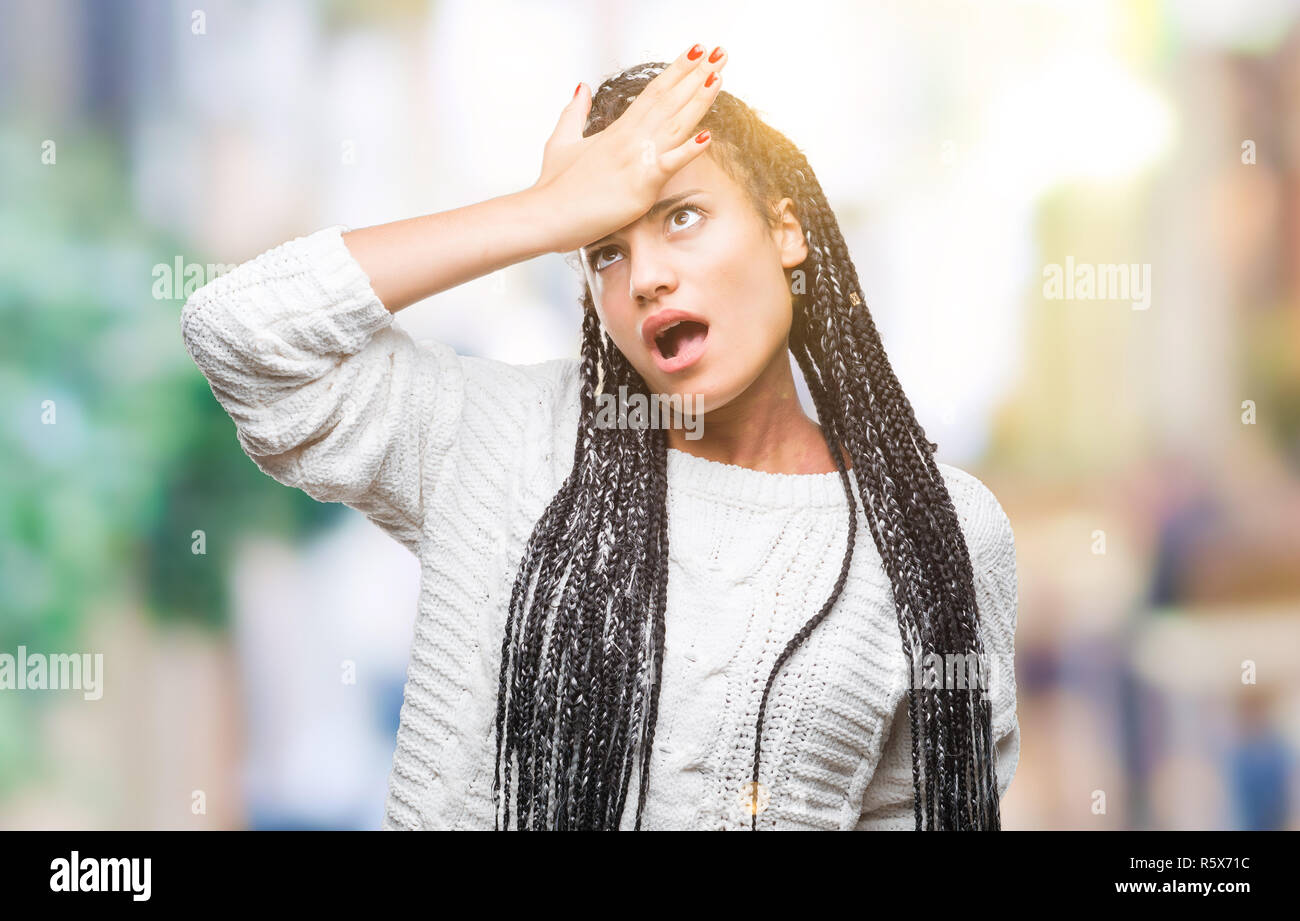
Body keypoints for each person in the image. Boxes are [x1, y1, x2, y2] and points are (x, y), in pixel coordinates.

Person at [180, 42, 1020, 830]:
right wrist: (542, 214)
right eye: (606, 251)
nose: (647, 276)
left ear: (786, 230)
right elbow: (242, 334)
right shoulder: (500, 441)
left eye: (682, 217)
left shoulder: (937, 532)